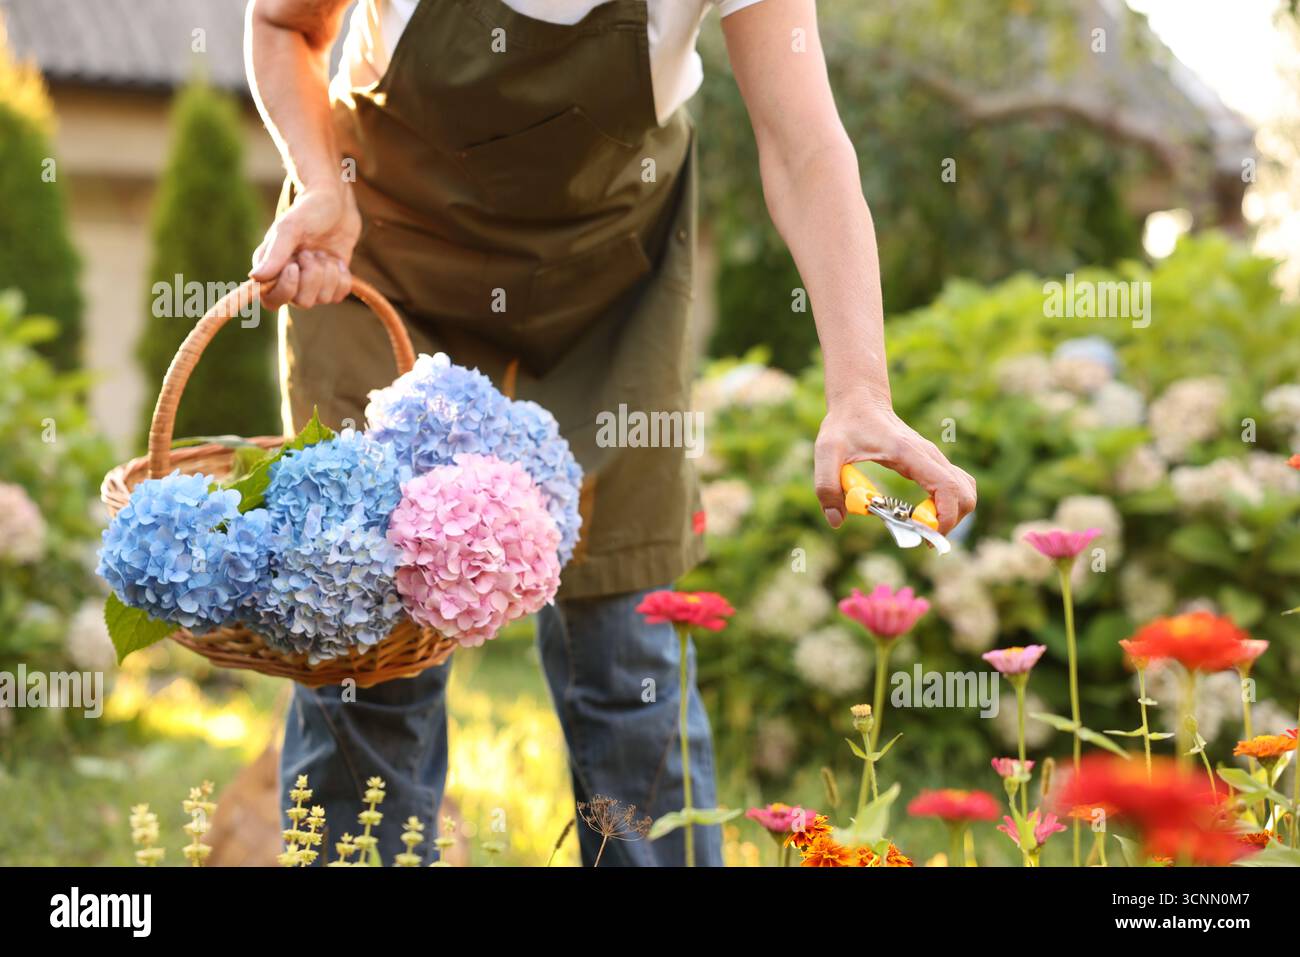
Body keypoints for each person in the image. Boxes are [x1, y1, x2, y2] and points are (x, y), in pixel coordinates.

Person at [246, 0, 977, 866]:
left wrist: (861, 386)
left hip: (604, 285)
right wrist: (322, 185)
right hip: (378, 261)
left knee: (629, 648)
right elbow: (284, 22)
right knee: (368, 652)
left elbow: (806, 143)